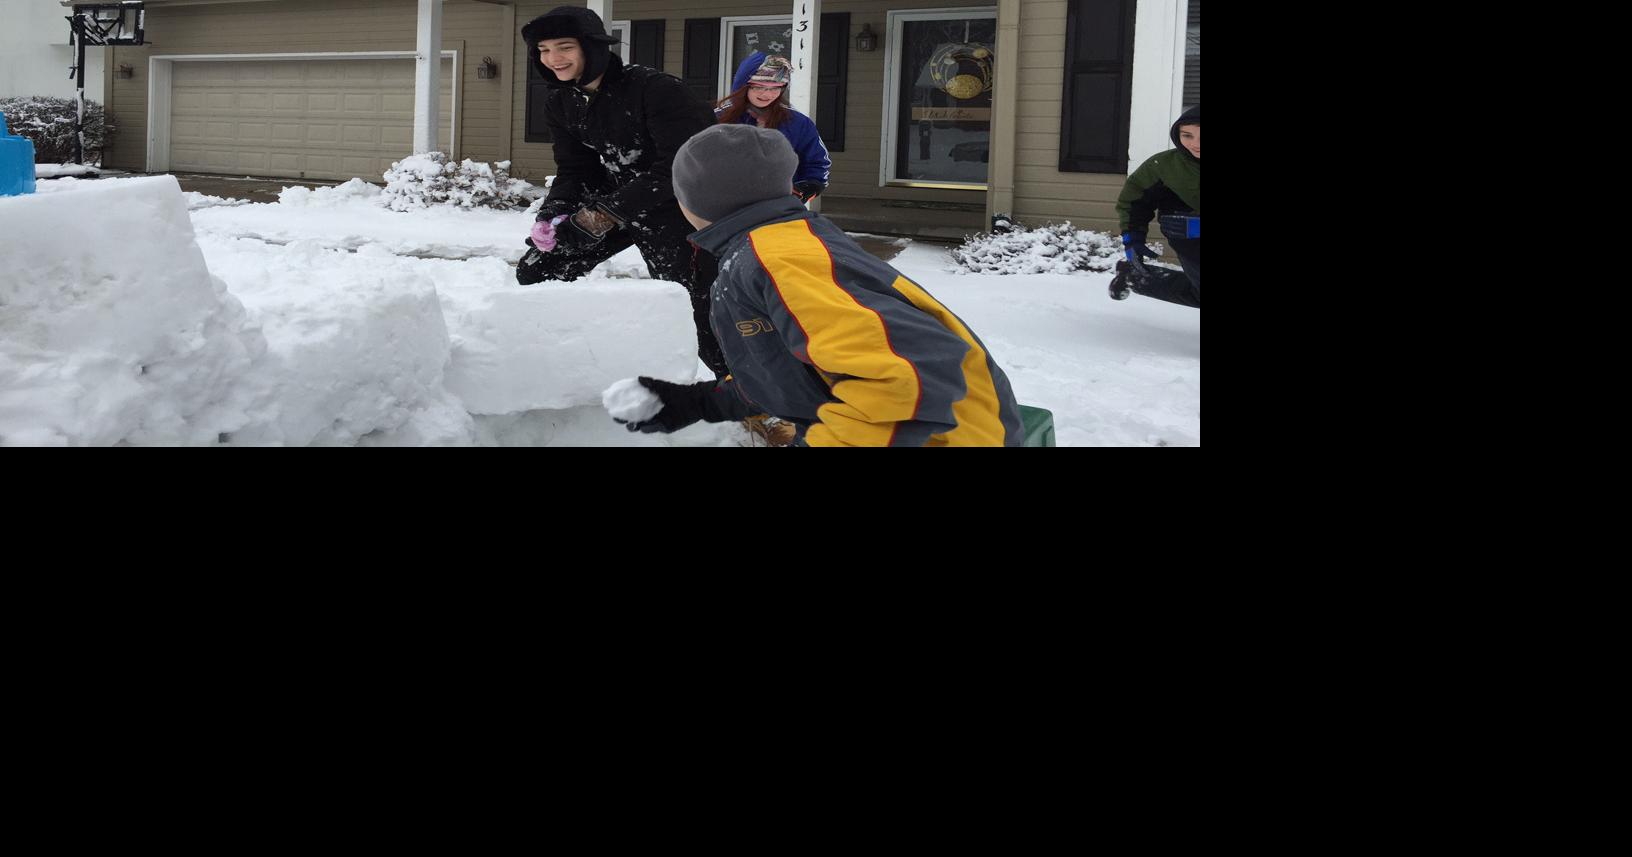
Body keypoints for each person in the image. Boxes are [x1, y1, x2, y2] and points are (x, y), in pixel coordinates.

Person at [617, 124, 1023, 447]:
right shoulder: (770, 247)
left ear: (694, 199)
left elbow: (908, 381)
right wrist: (698, 403)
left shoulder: (783, 259)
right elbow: (793, 372)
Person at [516, 5, 728, 375]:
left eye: (564, 47)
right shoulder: (561, 101)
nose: (553, 59)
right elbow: (576, 168)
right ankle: (567, 363)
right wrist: (556, 210)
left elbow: (681, 166)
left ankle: (753, 398)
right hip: (620, 202)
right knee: (540, 268)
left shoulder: (656, 90)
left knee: (695, 306)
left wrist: (600, 216)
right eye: (543, 49)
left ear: (592, 47)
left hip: (682, 210)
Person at [1108, 105, 1199, 307]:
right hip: (1191, 242)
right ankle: (1135, 277)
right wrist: (1133, 238)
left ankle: (1134, 277)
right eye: (1187, 136)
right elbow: (1135, 201)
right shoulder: (1164, 166)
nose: (1196, 144)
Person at [715, 52, 831, 203]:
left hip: (777, 208)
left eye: (775, 88)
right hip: (724, 206)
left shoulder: (797, 123)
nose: (767, 94)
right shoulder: (716, 119)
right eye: (759, 87)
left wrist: (807, 187)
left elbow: (817, 163)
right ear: (743, 86)